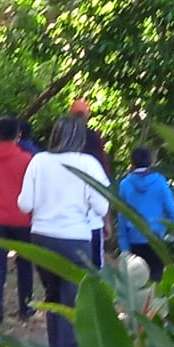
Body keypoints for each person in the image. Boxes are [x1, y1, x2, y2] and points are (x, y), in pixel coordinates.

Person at [18, 115, 109, 347]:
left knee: (53, 295)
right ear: (79, 138)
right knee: (74, 300)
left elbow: (24, 203)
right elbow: (102, 206)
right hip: (75, 239)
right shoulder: (88, 164)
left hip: (41, 237)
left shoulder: (38, 161)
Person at [0, 116, 35, 324]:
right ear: (18, 134)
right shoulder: (27, 160)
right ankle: (26, 306)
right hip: (23, 218)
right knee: (25, 264)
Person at [117, 147, 174, 282]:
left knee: (138, 284)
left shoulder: (125, 185)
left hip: (134, 241)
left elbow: (122, 216)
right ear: (150, 162)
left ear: (132, 163)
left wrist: (124, 246)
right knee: (157, 281)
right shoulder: (160, 182)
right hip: (156, 239)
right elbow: (171, 211)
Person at [69, 99, 112, 268]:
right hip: (92, 217)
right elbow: (104, 183)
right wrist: (107, 220)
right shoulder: (95, 138)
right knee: (95, 269)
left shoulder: (63, 140)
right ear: (87, 115)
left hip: (67, 221)